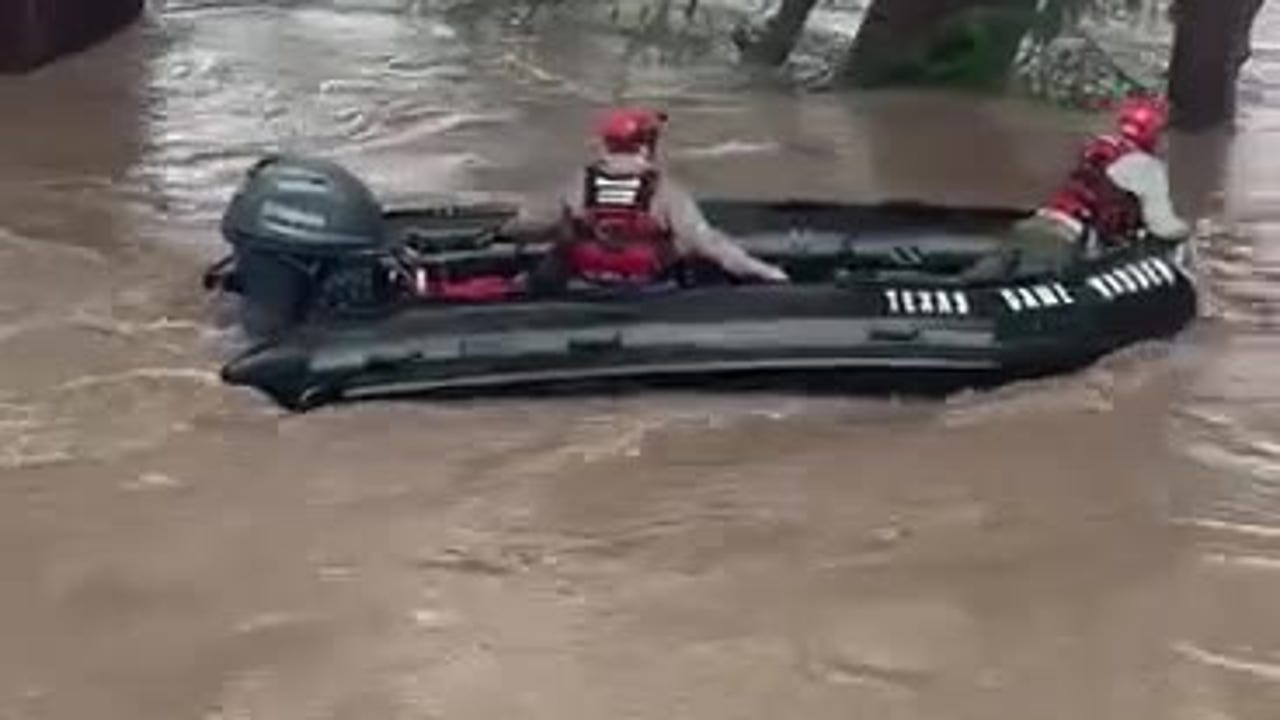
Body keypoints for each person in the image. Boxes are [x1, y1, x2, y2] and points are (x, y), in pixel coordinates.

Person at [505, 107, 790, 293]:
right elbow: (710, 244)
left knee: (563, 235)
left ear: (606, 144)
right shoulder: (665, 191)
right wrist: (768, 273)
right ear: (646, 145)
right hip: (645, 283)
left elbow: (526, 226)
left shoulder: (576, 183)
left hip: (587, 277)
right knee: (692, 241)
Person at [969, 94, 1190, 280]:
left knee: (976, 284)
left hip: (1033, 225)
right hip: (1063, 240)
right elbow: (1166, 229)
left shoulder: (1094, 147)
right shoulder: (1141, 167)